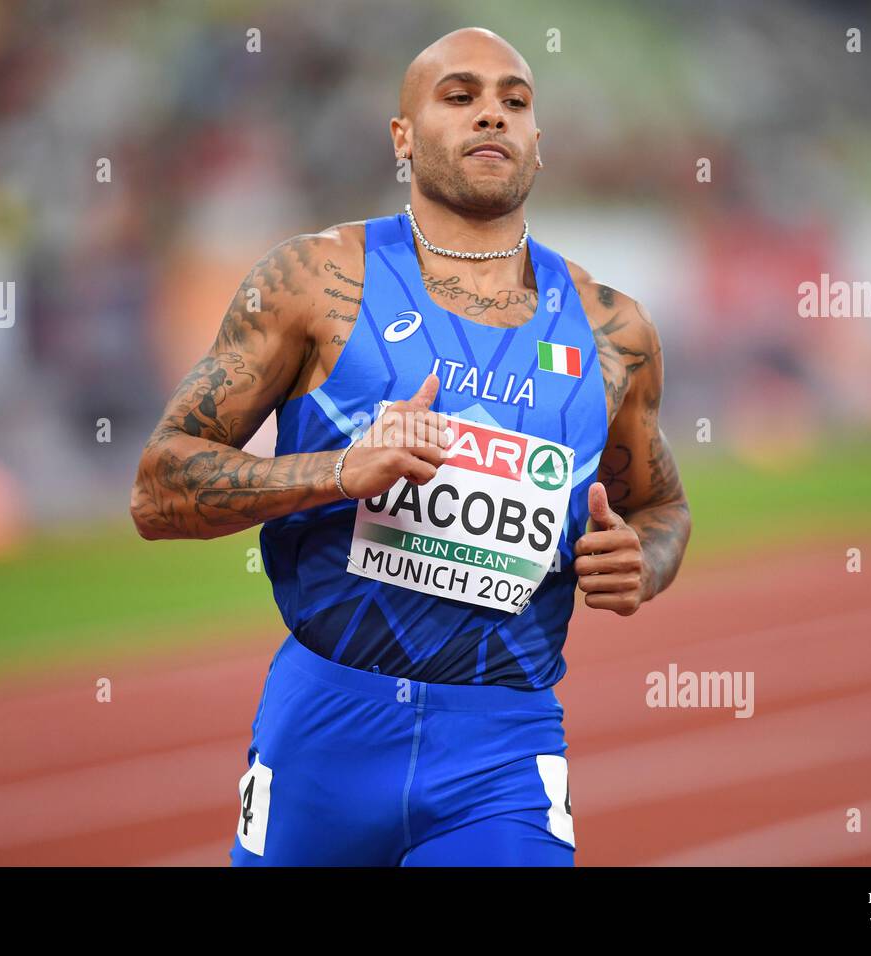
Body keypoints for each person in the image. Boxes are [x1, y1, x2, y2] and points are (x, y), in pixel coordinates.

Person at [130, 26, 691, 866]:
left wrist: (641, 559)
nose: (492, 116)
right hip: (324, 728)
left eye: (515, 101)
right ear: (403, 135)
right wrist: (340, 471)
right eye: (460, 96)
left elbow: (663, 507)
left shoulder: (614, 331)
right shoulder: (313, 281)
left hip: (501, 745)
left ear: (539, 140)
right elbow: (158, 488)